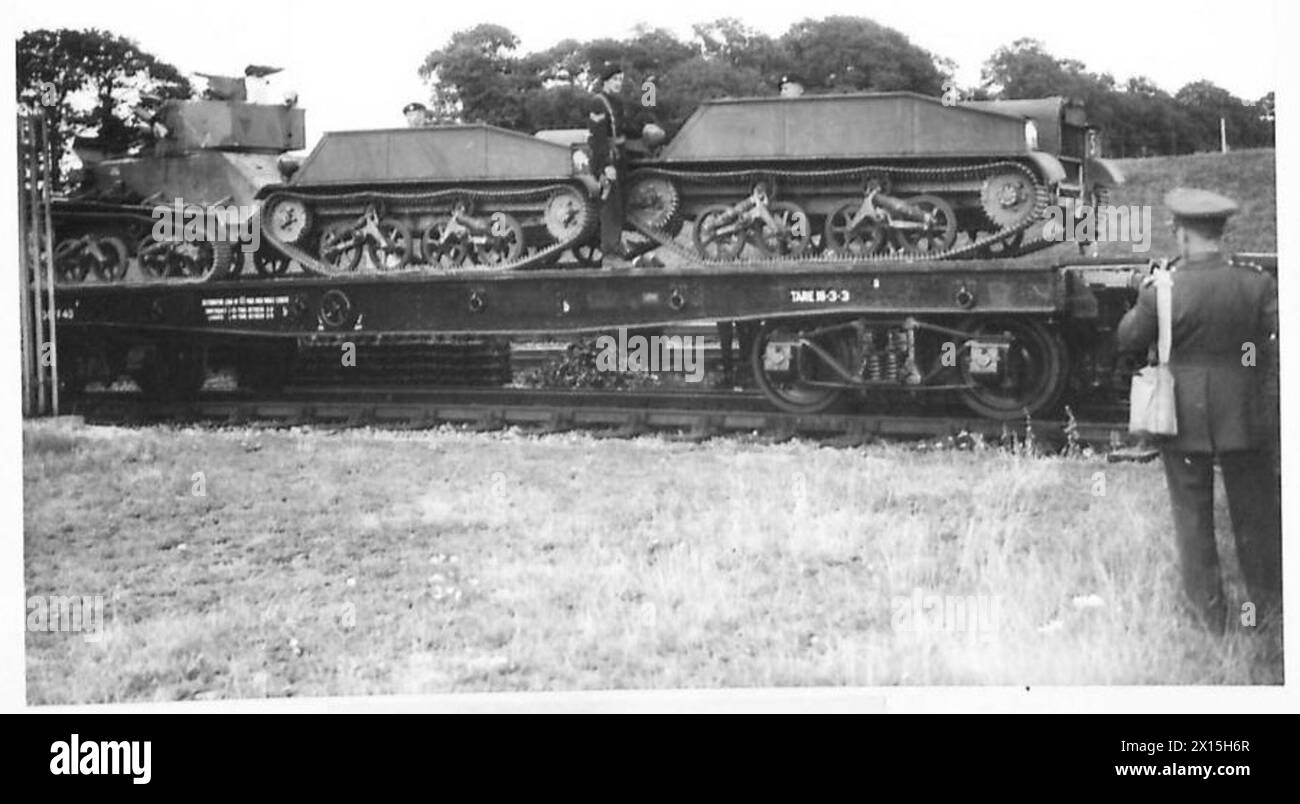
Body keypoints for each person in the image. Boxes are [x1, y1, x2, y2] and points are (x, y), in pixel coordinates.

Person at [1117, 187, 1280, 635]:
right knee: (1257, 516)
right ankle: (1267, 610)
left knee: (1192, 517)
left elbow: (1127, 341)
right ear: (1220, 232)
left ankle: (1211, 617)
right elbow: (1271, 343)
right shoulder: (1256, 282)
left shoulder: (1162, 289)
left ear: (1183, 235)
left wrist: (1141, 296)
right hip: (1245, 415)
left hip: (1181, 417)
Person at [587, 63, 642, 263]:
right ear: (606, 82)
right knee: (610, 205)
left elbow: (624, 128)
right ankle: (610, 252)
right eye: (615, 80)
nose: (619, 83)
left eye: (621, 80)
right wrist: (606, 165)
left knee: (619, 205)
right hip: (606, 159)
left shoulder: (616, 103)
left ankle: (615, 245)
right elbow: (598, 138)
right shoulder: (598, 103)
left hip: (619, 157)